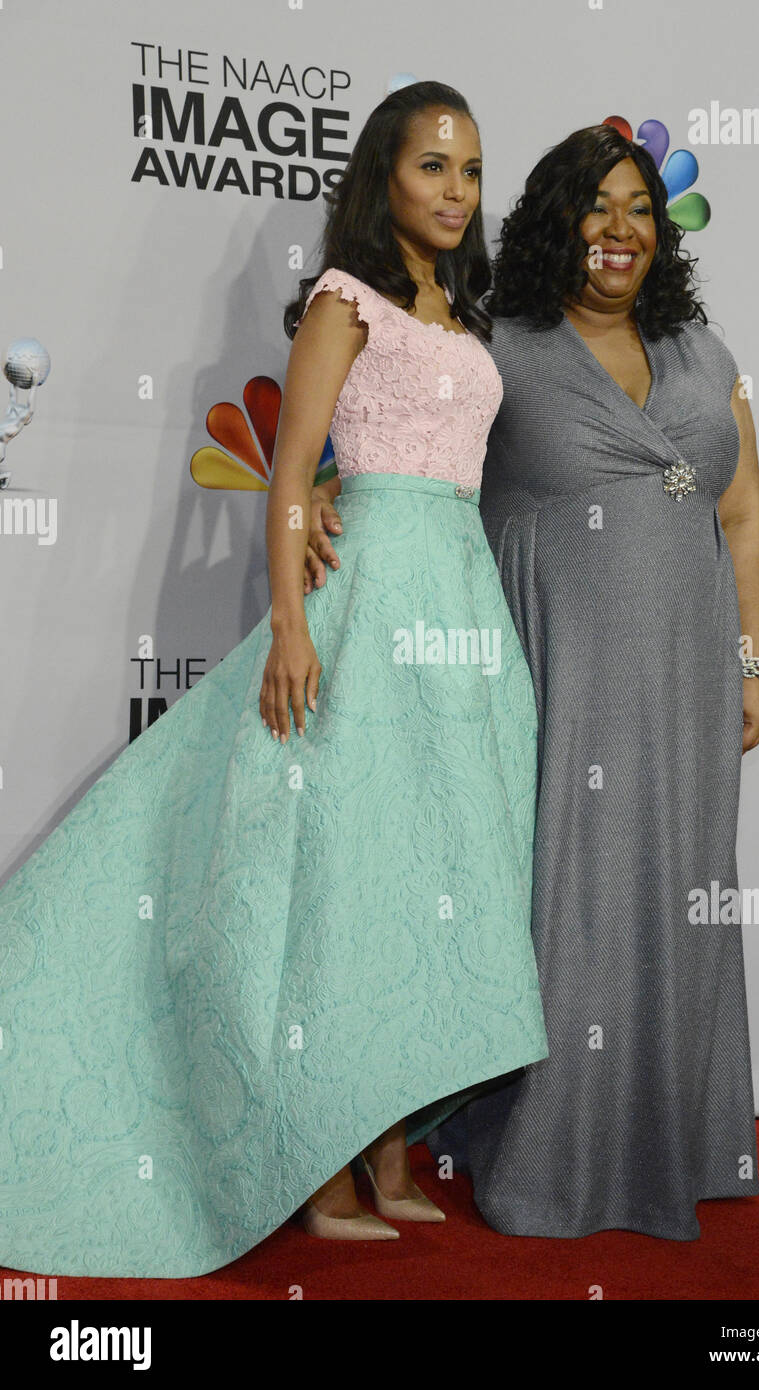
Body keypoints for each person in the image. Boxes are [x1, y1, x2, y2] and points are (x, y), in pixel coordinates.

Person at [0, 80, 548, 1278]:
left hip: (459, 600)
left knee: (431, 875)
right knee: (340, 882)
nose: (455, 193)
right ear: (382, 181)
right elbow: (293, 475)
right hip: (364, 611)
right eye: (430, 169)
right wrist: (292, 626)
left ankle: (394, 1150)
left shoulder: (467, 318)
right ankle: (316, 1164)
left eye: (468, 170)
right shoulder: (342, 305)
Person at [307, 122, 759, 1240]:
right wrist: (328, 494)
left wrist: (756, 660)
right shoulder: (502, 342)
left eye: (639, 208)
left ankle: (674, 1138)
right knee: (560, 904)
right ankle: (543, 1150)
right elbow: (407, 433)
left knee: (678, 896)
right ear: (554, 224)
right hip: (555, 676)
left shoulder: (708, 351)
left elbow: (746, 512)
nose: (619, 230)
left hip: (689, 681)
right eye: (594, 206)